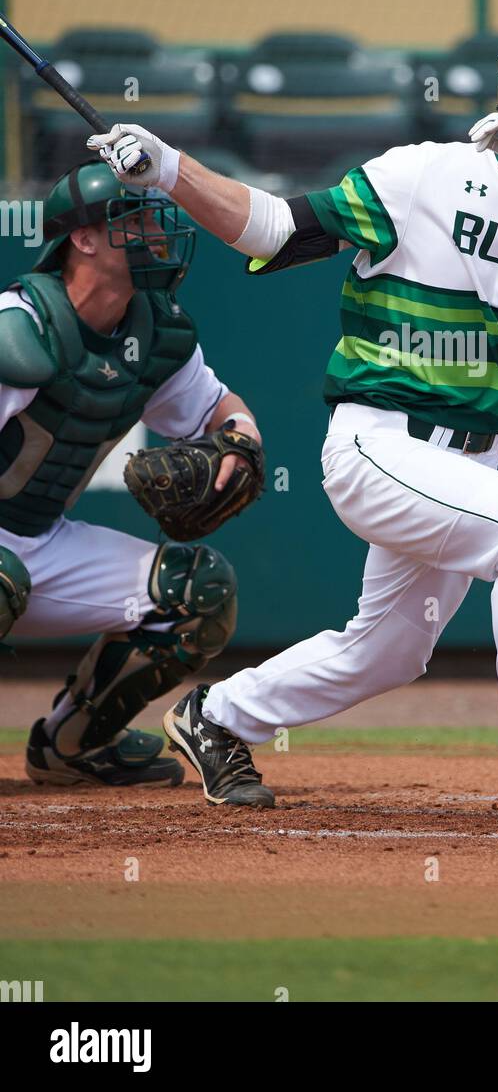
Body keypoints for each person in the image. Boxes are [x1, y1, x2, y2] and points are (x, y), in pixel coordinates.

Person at [89, 14, 498, 820]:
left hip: (469, 465)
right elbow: (277, 231)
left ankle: (215, 717)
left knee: (388, 651)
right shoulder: (425, 175)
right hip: (379, 443)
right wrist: (170, 168)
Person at [0, 162, 265, 795]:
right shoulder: (18, 327)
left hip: (42, 541)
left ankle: (74, 745)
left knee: (198, 592)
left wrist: (240, 444)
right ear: (83, 240)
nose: (153, 230)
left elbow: (220, 410)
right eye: (132, 220)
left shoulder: (156, 330)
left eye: (150, 217)